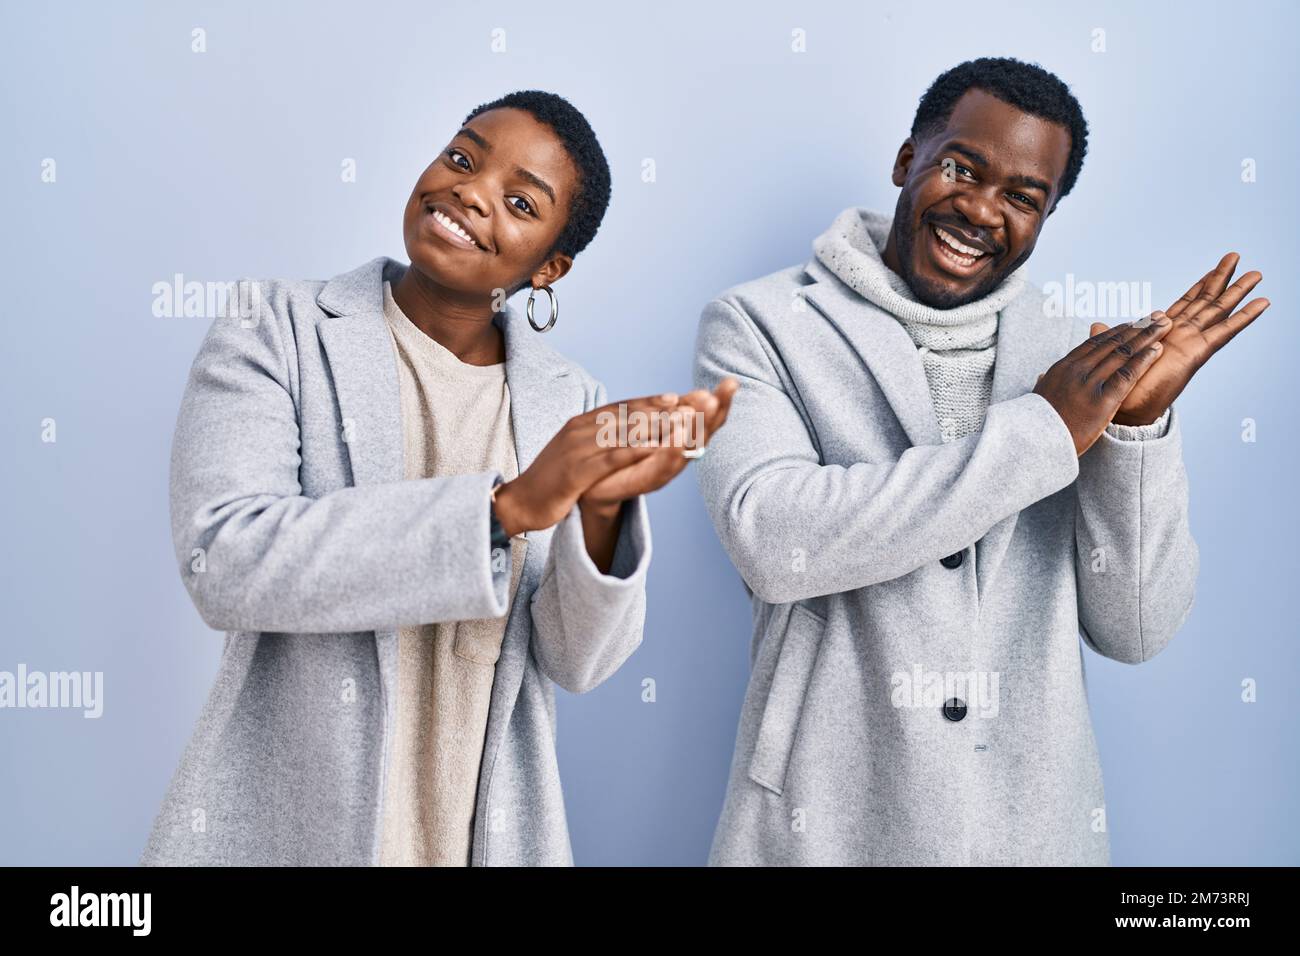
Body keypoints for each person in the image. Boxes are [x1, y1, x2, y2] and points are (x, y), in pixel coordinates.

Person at [693, 57, 1267, 865]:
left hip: (1026, 830)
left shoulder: (1077, 359)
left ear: (1048, 214)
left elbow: (1135, 630)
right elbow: (771, 540)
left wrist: (1137, 430)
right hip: (825, 823)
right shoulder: (761, 323)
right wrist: (1043, 432)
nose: (980, 210)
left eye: (1023, 197)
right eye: (962, 168)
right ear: (907, 161)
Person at [141, 89, 735, 866]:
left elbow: (577, 662)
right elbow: (224, 561)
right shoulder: (276, 328)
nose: (469, 190)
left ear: (550, 267)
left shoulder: (570, 405)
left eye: (520, 201)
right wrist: (507, 509)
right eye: (462, 157)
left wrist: (603, 509)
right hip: (289, 834)